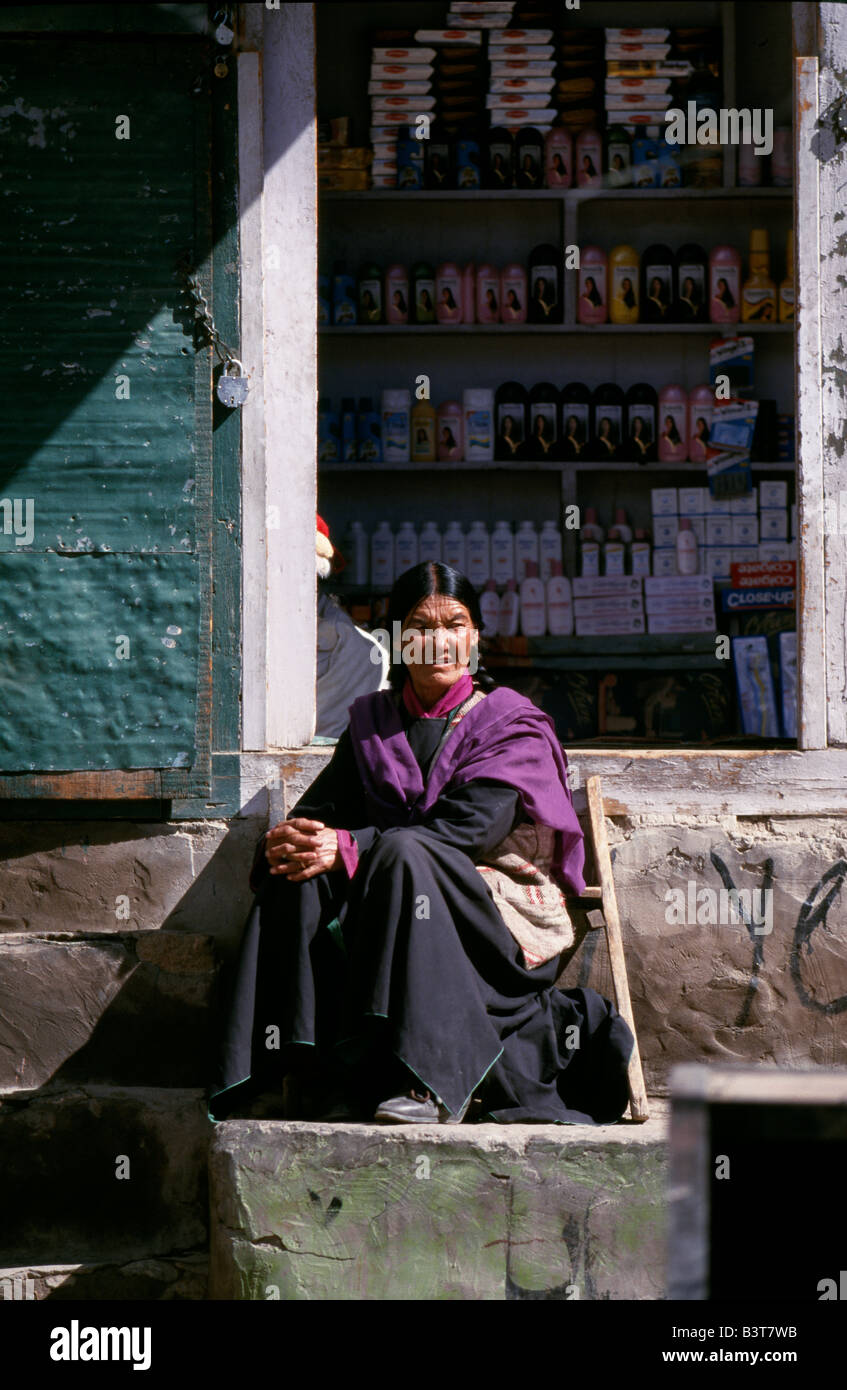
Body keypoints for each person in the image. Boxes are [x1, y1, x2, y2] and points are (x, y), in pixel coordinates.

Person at [209, 563, 634, 1126]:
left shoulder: (509, 724)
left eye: (454, 624)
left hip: (487, 928)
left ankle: (426, 1082)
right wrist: (301, 841)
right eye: (420, 626)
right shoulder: (374, 723)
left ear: (476, 635)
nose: (438, 640)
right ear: (398, 639)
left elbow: (468, 832)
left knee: (406, 852)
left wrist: (354, 847)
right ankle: (316, 1073)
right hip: (388, 911)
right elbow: (323, 810)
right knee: (302, 868)